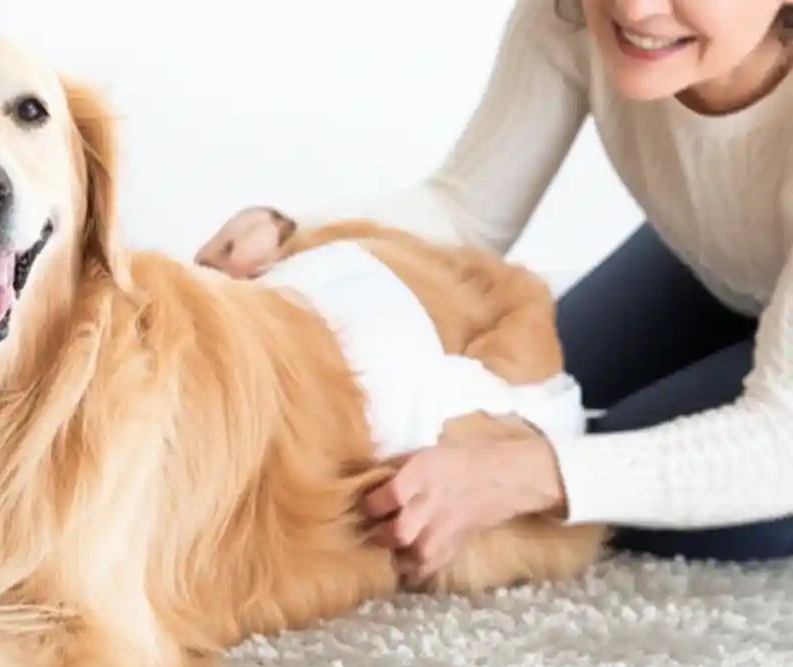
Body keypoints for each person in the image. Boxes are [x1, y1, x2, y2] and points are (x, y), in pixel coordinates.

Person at [211, 0, 793, 585]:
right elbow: (466, 214)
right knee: (533, 394)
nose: (636, 9)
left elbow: (778, 440)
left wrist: (520, 475)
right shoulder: (569, 15)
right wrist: (294, 234)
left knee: (621, 484)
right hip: (723, 262)